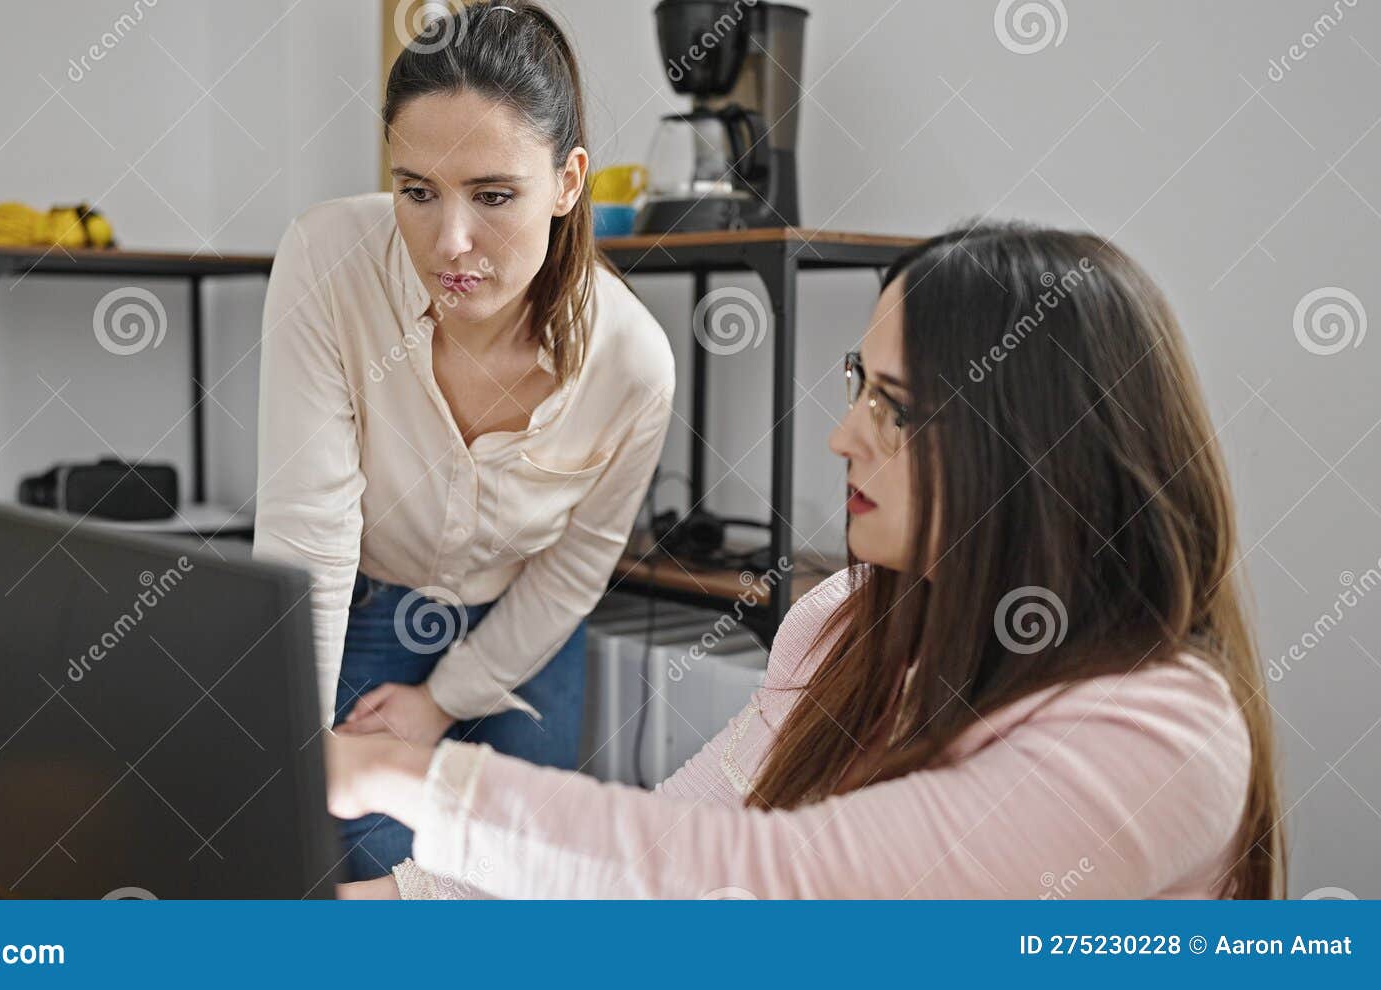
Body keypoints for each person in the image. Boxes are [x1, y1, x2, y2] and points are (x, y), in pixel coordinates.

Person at [326, 220, 1284, 899]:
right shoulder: (846, 619)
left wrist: (399, 780)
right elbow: (662, 854)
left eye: (896, 409)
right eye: (858, 387)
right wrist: (379, 912)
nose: (842, 438)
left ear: (1028, 449)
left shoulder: (1163, 735)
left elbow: (779, 887)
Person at [252, 0, 674, 880]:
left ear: (567, 182)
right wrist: (293, 750)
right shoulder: (326, 261)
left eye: (493, 196)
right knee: (355, 867)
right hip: (367, 609)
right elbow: (309, 534)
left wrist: (443, 701)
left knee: (520, 880)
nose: (450, 243)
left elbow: (574, 569)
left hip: (528, 625)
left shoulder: (633, 365)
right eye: (417, 191)